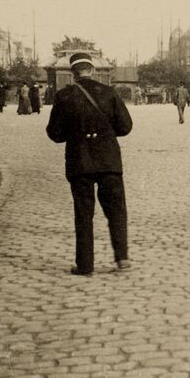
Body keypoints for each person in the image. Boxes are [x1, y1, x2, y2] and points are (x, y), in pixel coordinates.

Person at [46, 52, 133, 275]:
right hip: (109, 161)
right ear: (92, 70)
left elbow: (55, 134)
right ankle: (122, 258)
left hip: (80, 161)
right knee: (116, 210)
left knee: (83, 213)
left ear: (72, 73)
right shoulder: (109, 92)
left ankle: (85, 265)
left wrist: (75, 132)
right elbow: (125, 127)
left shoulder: (64, 96)